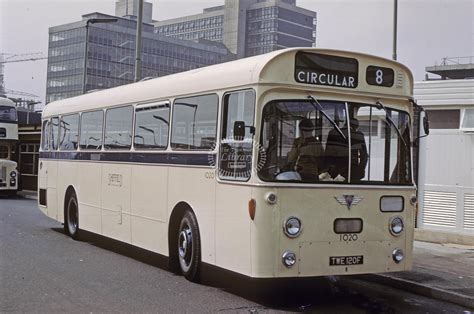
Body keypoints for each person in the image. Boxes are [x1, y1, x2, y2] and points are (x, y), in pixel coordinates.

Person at [324, 117, 368, 181]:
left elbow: (327, 153)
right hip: (352, 170)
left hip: (334, 170)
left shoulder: (333, 133)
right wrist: (361, 169)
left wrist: (327, 169)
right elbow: (364, 155)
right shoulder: (358, 135)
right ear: (356, 127)